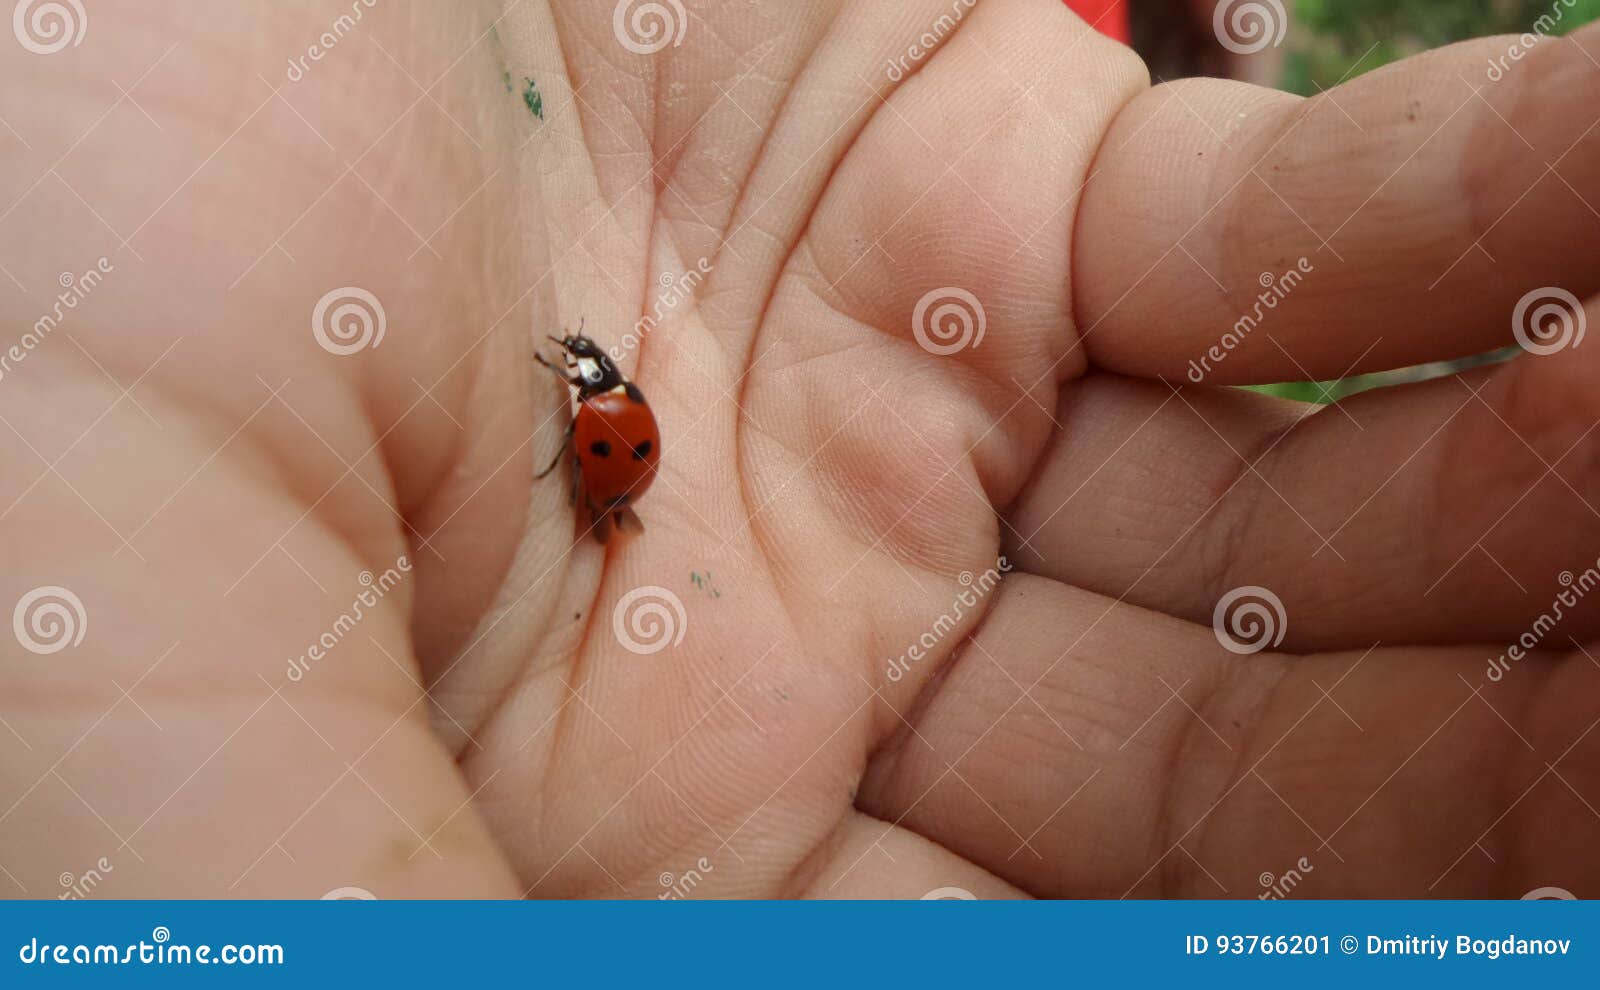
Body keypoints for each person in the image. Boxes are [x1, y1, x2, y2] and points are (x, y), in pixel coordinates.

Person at [2, 0, 1596, 899]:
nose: (587, 402)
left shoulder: (604, 417)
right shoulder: (604, 398)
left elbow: (603, 429)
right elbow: (605, 420)